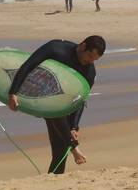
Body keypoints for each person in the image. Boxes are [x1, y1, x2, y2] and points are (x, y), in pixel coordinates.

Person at [7, 35, 105, 174]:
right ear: (83, 46)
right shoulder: (56, 48)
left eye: (94, 60)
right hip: (38, 91)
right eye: (89, 56)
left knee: (61, 150)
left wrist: (74, 126)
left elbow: (80, 100)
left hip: (61, 103)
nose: (89, 61)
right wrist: (13, 92)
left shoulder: (89, 71)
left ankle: (53, 180)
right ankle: (74, 148)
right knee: (55, 111)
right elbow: (28, 65)